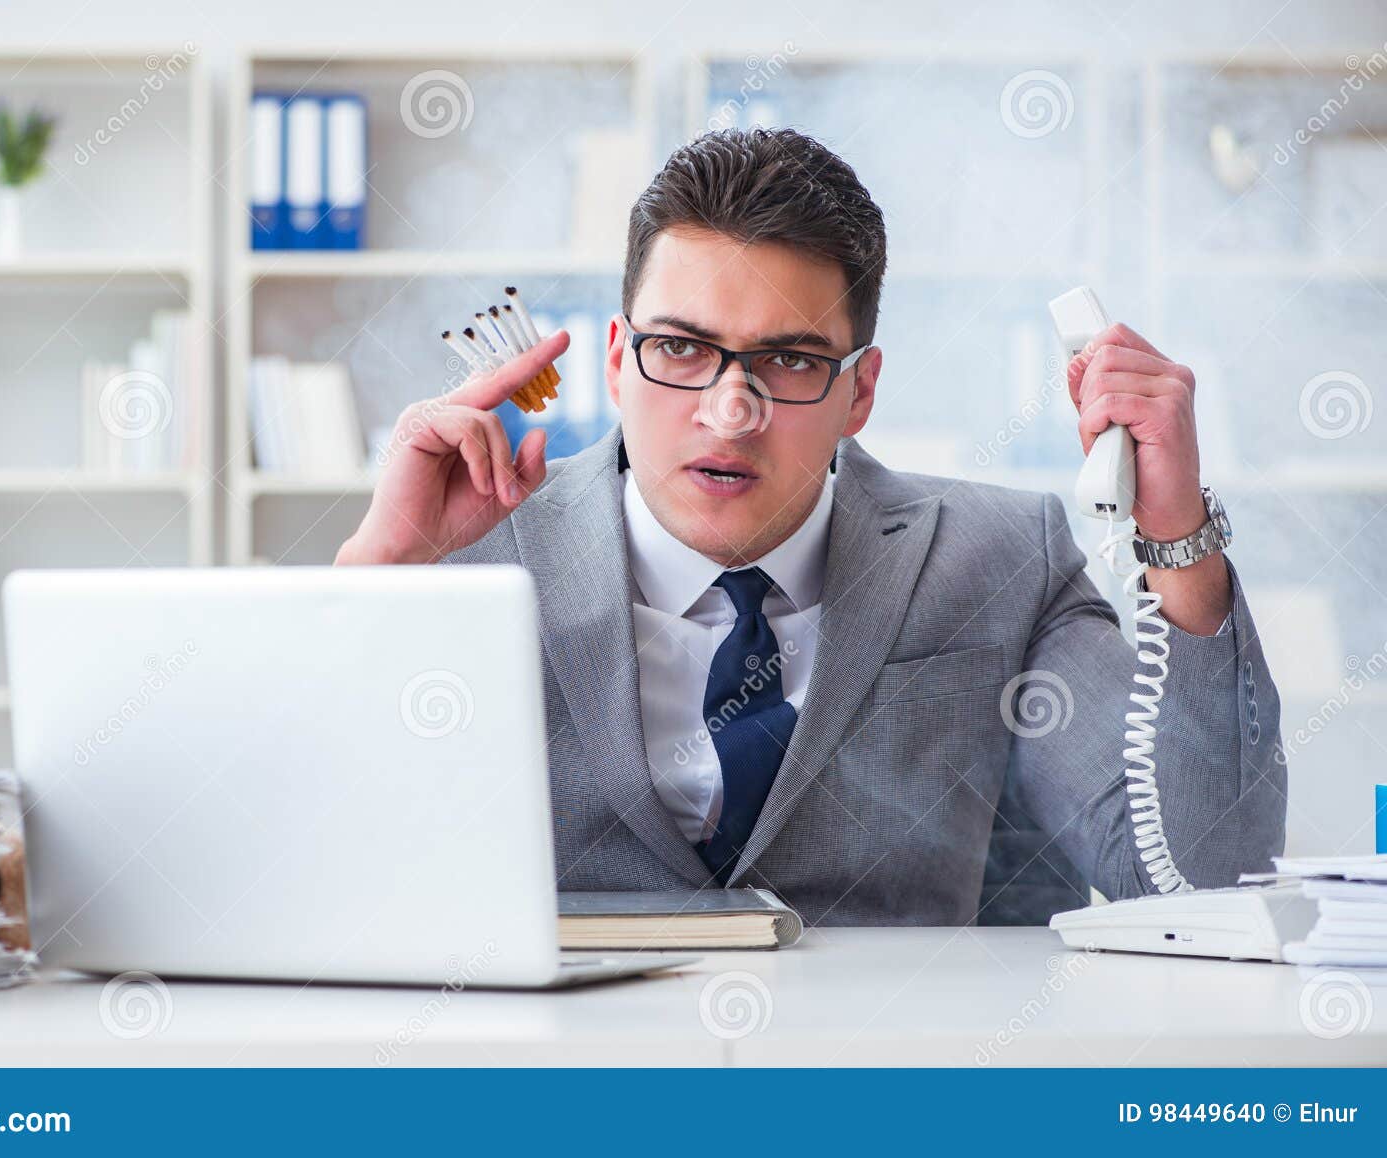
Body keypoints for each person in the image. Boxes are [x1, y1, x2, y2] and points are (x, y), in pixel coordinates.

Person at [336, 127, 1284, 925]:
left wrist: (1179, 539)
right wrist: (380, 571)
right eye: (682, 348)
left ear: (859, 392)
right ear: (618, 361)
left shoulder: (999, 562)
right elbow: (319, 862)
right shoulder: (471, 559)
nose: (730, 412)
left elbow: (1201, 881)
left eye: (790, 361)